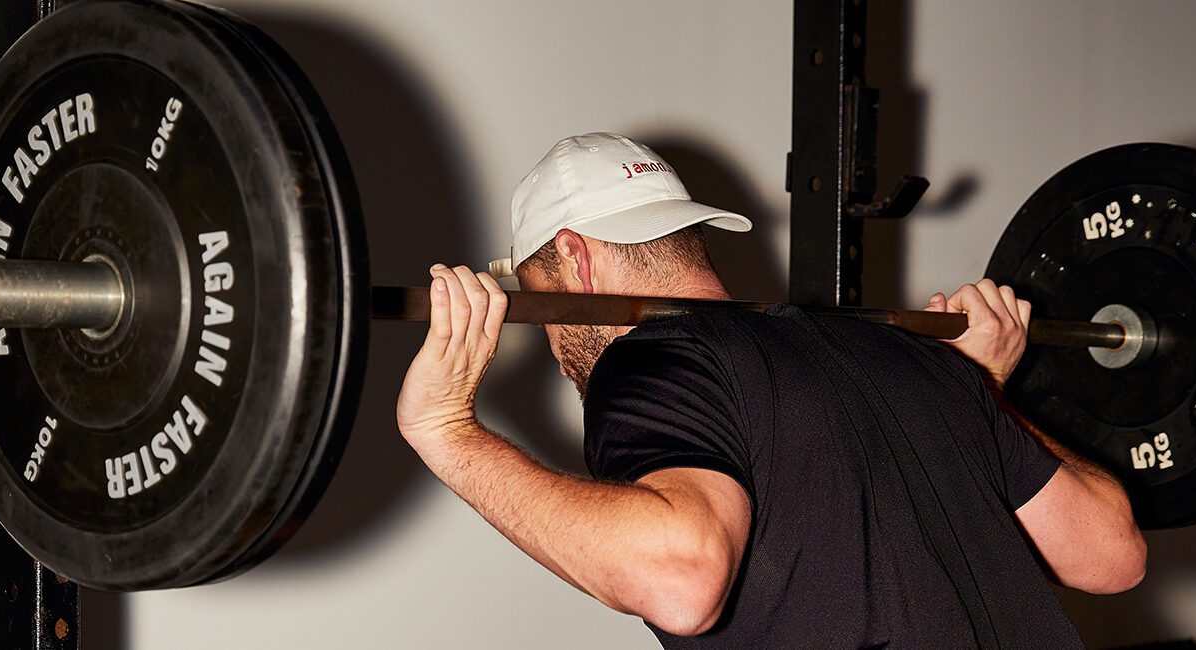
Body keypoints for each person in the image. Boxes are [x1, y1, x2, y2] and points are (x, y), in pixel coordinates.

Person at [396, 132, 1146, 647]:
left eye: (538, 298)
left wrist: (447, 434)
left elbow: (681, 578)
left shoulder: (656, 359)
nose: (557, 348)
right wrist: (979, 389)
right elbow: (1111, 553)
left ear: (572, 258)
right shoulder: (907, 357)